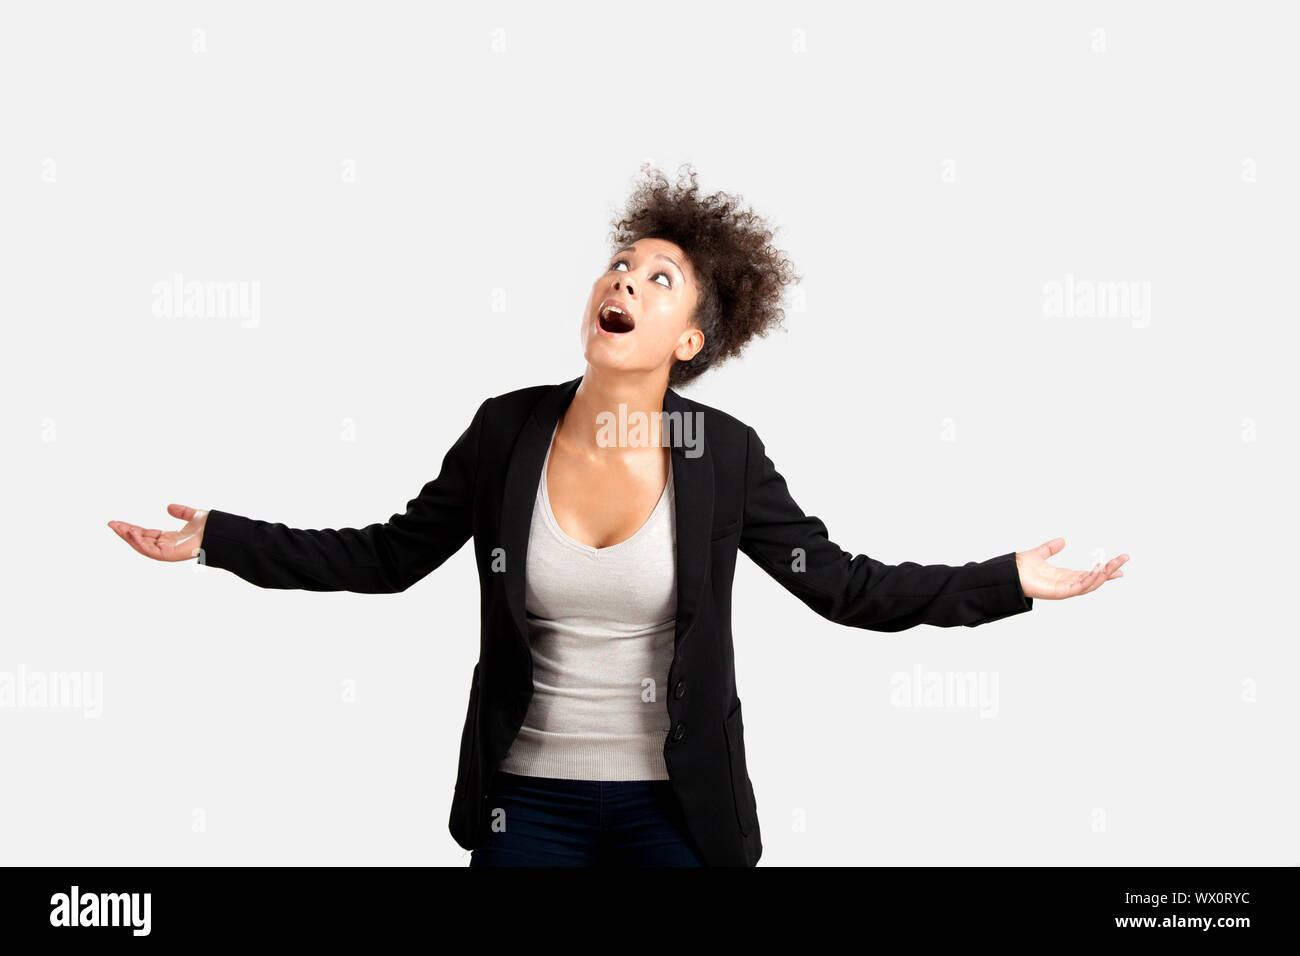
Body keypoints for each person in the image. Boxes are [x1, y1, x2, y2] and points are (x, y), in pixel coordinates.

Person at [108, 163, 1129, 866]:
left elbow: (843, 585)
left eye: (658, 278)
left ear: (687, 338)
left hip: (676, 810)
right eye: (620, 265)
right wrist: (216, 540)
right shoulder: (508, 430)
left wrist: (1008, 581)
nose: (624, 281)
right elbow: (387, 555)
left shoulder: (716, 453)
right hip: (526, 801)